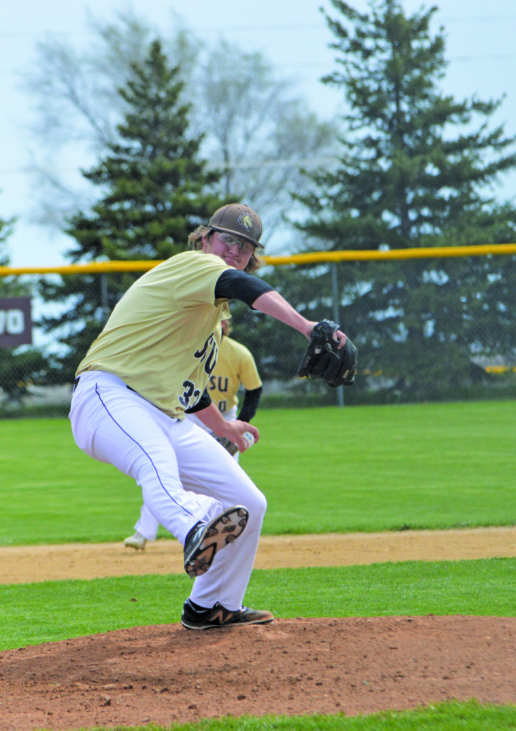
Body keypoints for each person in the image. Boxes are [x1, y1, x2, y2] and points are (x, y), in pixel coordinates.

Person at [69, 202, 349, 631]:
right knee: (154, 459)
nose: (236, 251)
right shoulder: (192, 265)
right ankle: (193, 527)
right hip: (107, 395)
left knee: (248, 502)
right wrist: (306, 326)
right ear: (205, 239)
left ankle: (211, 606)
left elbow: (192, 387)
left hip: (163, 410)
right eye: (229, 240)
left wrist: (223, 426)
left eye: (246, 247)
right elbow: (238, 283)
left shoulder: (209, 319)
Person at [124, 318, 262, 550]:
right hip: (192, 415)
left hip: (226, 415)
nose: (221, 324)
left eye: (224, 320)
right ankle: (143, 533)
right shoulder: (194, 349)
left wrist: (240, 423)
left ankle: (228, 535)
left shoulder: (239, 353)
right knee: (166, 471)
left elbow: (254, 389)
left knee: (229, 479)